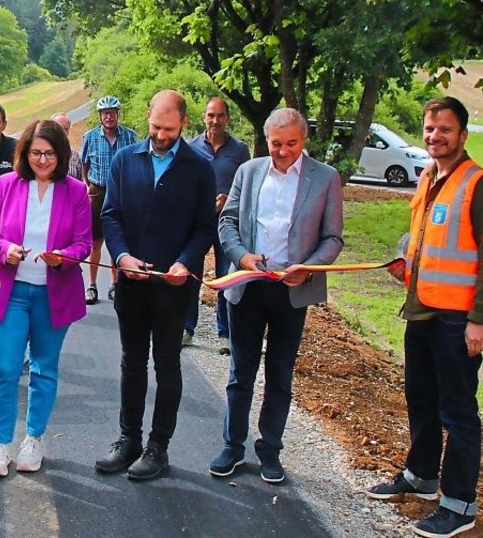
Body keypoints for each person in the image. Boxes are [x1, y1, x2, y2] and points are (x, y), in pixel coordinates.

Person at [365, 97, 480, 538]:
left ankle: (460, 504)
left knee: (458, 411)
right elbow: (429, 242)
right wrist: (406, 266)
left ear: (462, 135)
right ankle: (421, 476)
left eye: (444, 130)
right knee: (421, 398)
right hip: (423, 311)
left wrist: (478, 320)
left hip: (458, 320)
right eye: (430, 129)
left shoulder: (475, 183)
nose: (435, 137)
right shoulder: (430, 177)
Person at [209, 108, 343, 485]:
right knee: (240, 373)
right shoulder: (249, 172)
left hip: (292, 292)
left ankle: (270, 450)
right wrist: (241, 256)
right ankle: (232, 446)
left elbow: (333, 238)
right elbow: (228, 221)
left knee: (280, 374)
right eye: (275, 143)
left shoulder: (325, 178)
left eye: (291, 144)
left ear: (304, 141)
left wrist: (309, 267)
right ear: (266, 141)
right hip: (248, 286)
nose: (283, 151)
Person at [94, 90, 216, 481]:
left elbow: (204, 227)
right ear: (147, 117)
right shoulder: (124, 160)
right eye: (155, 127)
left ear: (183, 124)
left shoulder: (199, 167)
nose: (160, 135)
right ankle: (128, 438)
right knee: (132, 361)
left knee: (166, 363)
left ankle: (157, 446)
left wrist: (186, 262)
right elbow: (110, 215)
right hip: (131, 283)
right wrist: (122, 257)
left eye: (168, 129)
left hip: (173, 286)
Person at [0, 120, 92, 477]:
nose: (43, 160)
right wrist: (6, 249)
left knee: (44, 369)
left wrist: (63, 257)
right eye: (36, 153)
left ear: (62, 155)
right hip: (10, 292)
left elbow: (83, 244)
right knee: (6, 369)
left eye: (50, 153)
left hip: (53, 294)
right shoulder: (7, 184)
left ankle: (34, 438)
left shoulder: (75, 191)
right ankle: (0, 442)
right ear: (25, 154)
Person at [183, 97, 250, 350]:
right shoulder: (190, 148)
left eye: (220, 115)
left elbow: (247, 186)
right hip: (199, 223)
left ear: (228, 118)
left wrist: (228, 200)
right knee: (191, 275)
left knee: (226, 276)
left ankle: (225, 333)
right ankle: (187, 328)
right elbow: (185, 186)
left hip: (227, 223)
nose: (215, 120)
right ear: (204, 117)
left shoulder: (240, 150)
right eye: (211, 115)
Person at [80, 95, 138, 304]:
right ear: (100, 116)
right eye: (105, 113)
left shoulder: (130, 137)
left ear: (117, 114)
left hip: (121, 191)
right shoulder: (90, 136)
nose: (109, 116)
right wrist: (88, 186)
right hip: (98, 190)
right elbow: (84, 163)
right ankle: (92, 285)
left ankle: (115, 284)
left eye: (112, 112)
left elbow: (138, 163)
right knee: (95, 241)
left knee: (117, 239)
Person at [51, 113, 83, 181]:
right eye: (58, 127)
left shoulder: (74, 155)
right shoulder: (42, 154)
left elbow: (80, 181)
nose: (62, 131)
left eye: (65, 129)